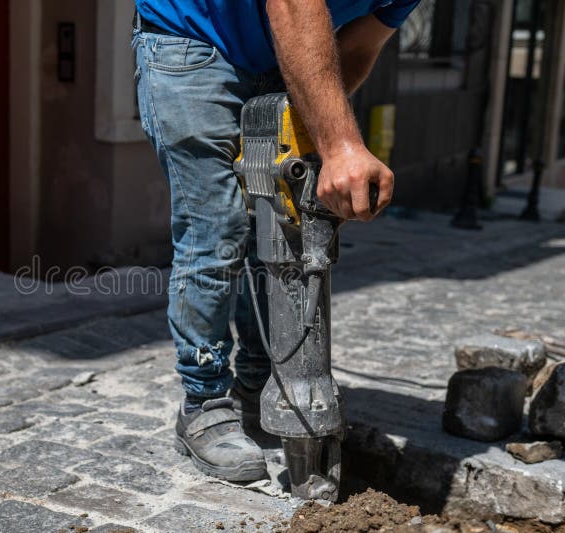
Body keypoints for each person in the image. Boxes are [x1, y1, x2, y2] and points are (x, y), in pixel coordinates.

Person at [132, 0, 420, 481]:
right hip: (189, 39)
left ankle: (257, 385)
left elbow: (361, 42)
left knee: (277, 223)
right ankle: (203, 403)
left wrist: (308, 124)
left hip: (281, 58)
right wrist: (341, 145)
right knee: (217, 229)